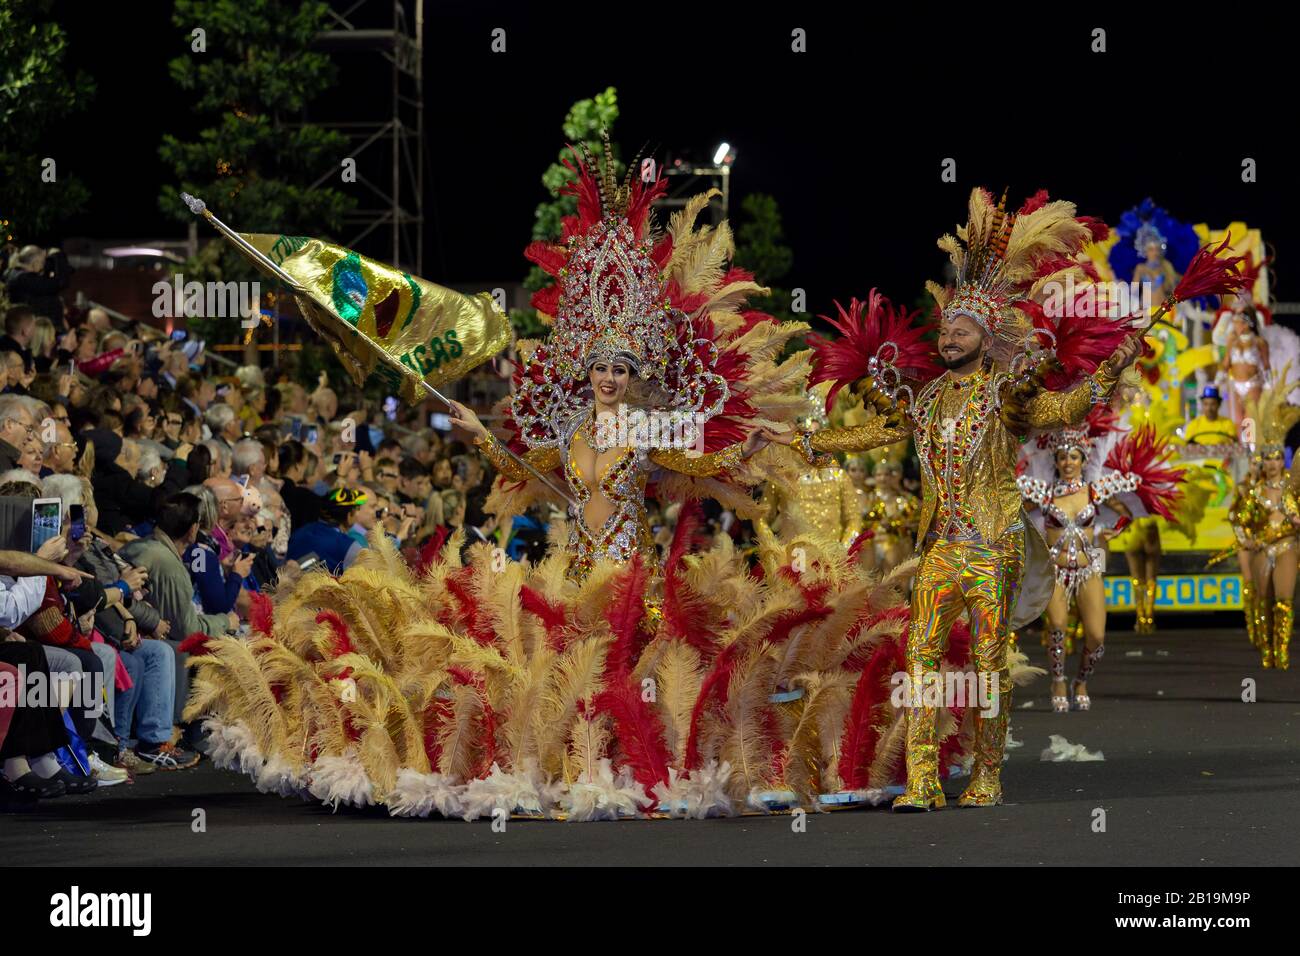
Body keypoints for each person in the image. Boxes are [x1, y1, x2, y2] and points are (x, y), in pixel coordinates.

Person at [772, 188, 1142, 809]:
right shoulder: (927, 398)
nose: (948, 336)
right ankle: (921, 782)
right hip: (941, 548)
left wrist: (1104, 374)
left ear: (986, 334)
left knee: (989, 668)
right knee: (921, 663)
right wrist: (815, 441)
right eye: (945, 328)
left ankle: (989, 775)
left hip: (992, 548)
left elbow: (1059, 406)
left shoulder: (1006, 394)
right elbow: (877, 431)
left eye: (962, 328)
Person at [1018, 410, 1179, 712]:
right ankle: (1057, 681)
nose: (1068, 462)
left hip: (1087, 568)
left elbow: (1129, 511)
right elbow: (1018, 516)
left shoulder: (1096, 491)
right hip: (1055, 569)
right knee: (1057, 626)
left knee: (1096, 635)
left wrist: (1110, 531)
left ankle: (1080, 680)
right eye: (1063, 457)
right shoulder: (1044, 493)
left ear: (1083, 459)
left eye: (1074, 457)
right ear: (1055, 460)